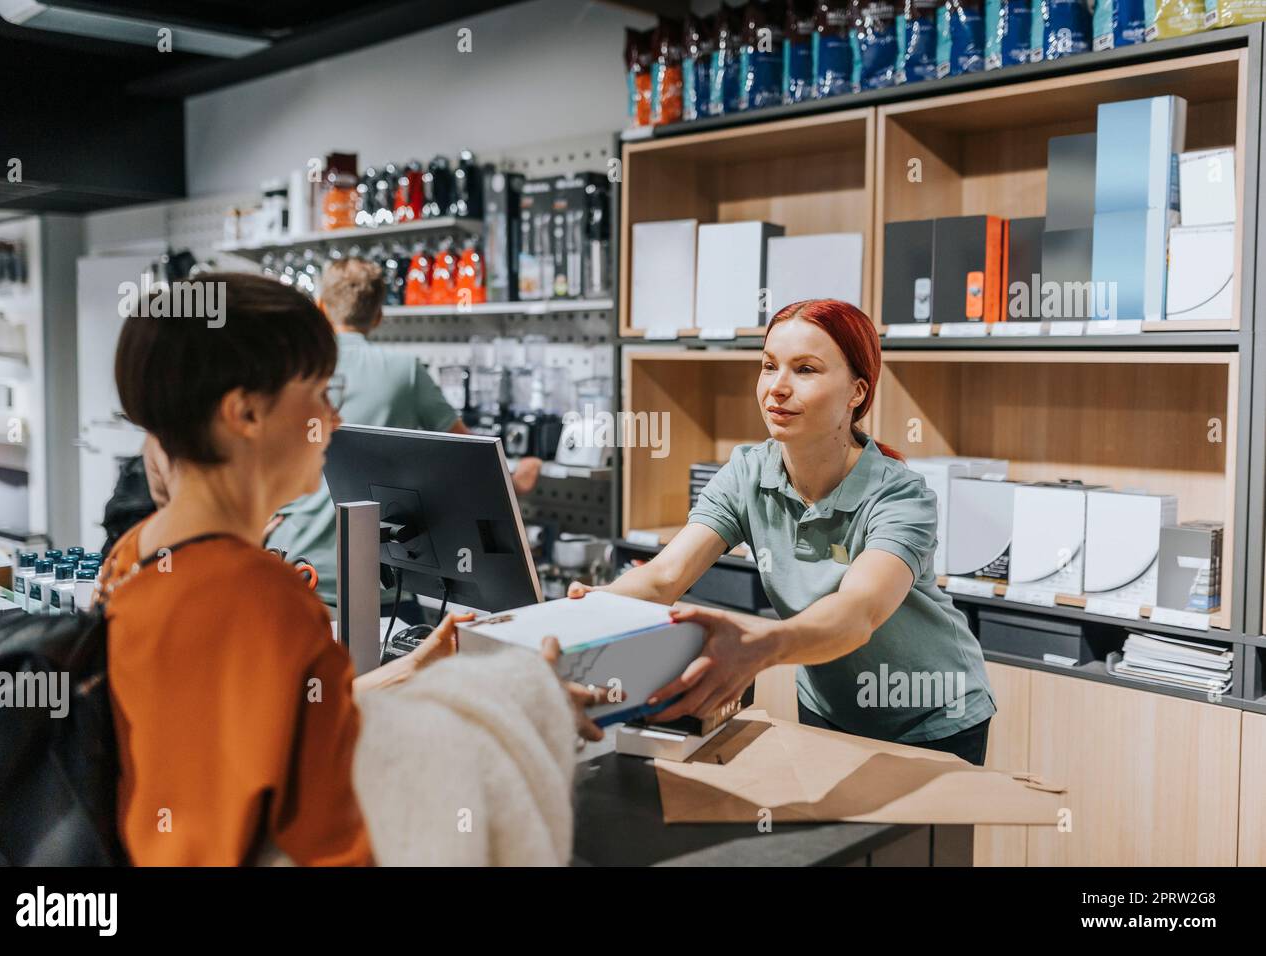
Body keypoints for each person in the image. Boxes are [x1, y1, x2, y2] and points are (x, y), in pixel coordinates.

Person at [101, 273, 600, 866]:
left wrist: (415, 667)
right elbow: (340, 836)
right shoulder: (257, 597)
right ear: (246, 414)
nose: (334, 420)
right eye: (318, 394)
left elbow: (282, 740)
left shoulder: (133, 555)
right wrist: (522, 701)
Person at [570, 299, 996, 765]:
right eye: (769, 366)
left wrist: (760, 646)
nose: (777, 388)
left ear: (857, 392)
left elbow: (859, 611)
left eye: (805, 370)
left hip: (931, 717)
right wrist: (576, 617)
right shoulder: (747, 473)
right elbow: (662, 577)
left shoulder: (900, 497)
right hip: (827, 704)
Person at [266, 257, 540, 607]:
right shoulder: (404, 371)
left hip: (298, 564)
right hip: (377, 573)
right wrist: (521, 480)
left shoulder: (291, 367)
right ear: (379, 315)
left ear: (321, 307)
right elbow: (474, 455)